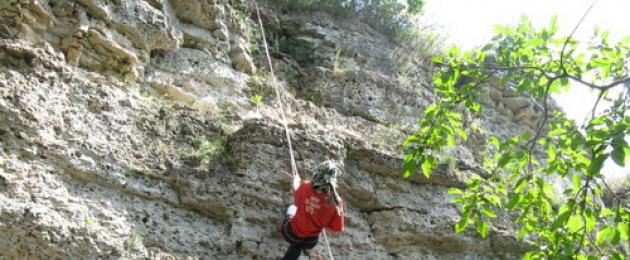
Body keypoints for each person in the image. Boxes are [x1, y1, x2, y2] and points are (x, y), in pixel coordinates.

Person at [280, 161, 344, 260]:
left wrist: (296, 181)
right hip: (310, 242)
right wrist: (322, 222)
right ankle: (299, 247)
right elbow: (334, 231)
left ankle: (296, 246)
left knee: (292, 208)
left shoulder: (306, 186)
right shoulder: (336, 201)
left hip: (291, 233)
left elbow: (296, 194)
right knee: (300, 244)